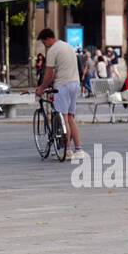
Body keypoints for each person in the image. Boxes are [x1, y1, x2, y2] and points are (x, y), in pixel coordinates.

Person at [35, 28, 84, 160]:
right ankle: (79, 149)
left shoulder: (53, 51)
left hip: (62, 85)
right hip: (75, 83)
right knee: (71, 117)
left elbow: (49, 74)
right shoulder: (68, 46)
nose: (45, 46)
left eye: (44, 43)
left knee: (63, 117)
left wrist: (41, 88)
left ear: (47, 39)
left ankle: (67, 150)